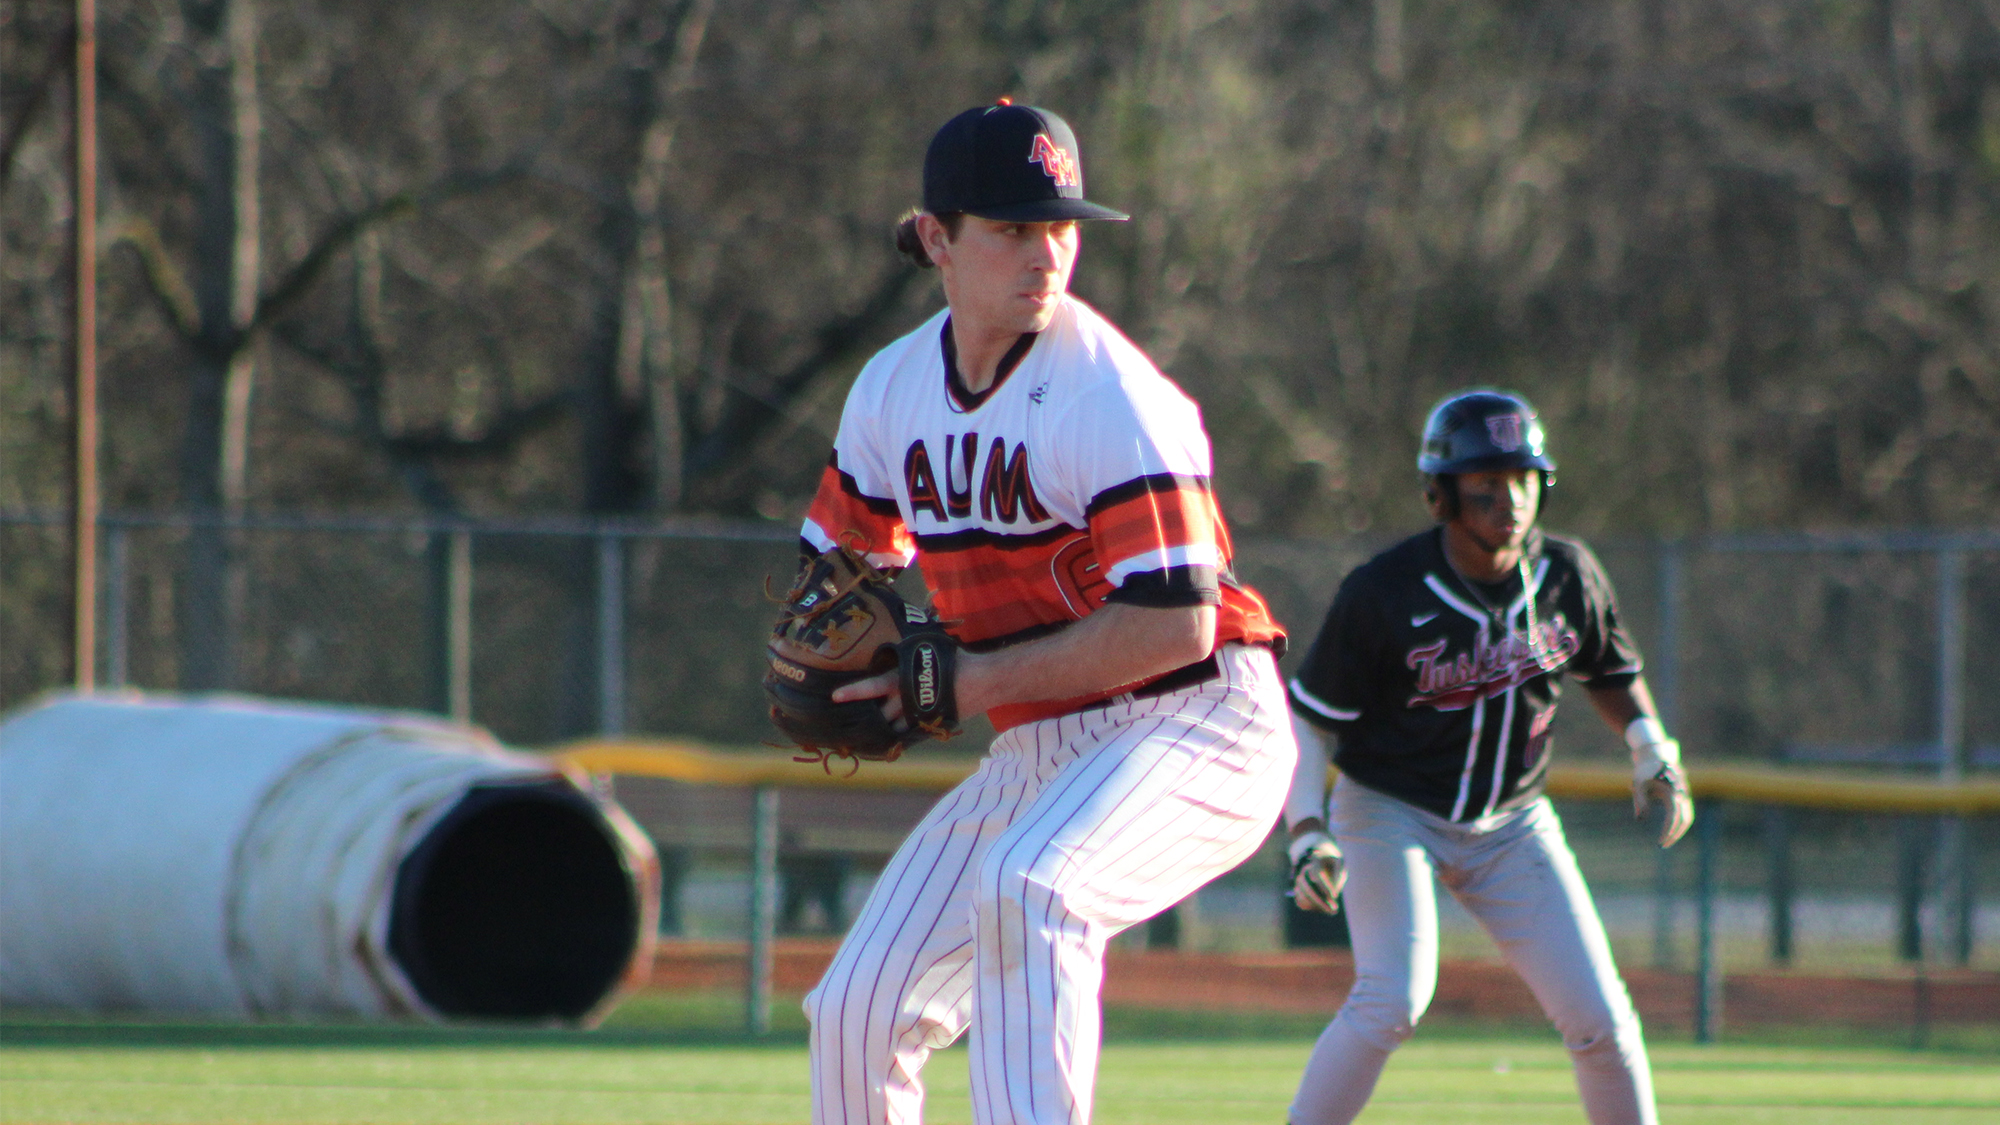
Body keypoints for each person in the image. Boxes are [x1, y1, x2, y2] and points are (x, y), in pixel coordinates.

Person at [796, 100, 1296, 1125]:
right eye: (1013, 228)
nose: (1047, 253)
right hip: (1041, 748)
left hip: (1198, 720)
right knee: (855, 1009)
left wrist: (962, 684)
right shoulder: (889, 393)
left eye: (1061, 225)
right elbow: (838, 581)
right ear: (936, 237)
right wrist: (829, 657)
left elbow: (1176, 625)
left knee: (1035, 890)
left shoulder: (1108, 391)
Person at [1280, 389, 1695, 1125]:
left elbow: (1612, 673)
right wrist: (1308, 829)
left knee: (1601, 1019)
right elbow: (1308, 723)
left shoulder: (1567, 574)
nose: (1512, 498)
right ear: (1440, 492)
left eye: (1525, 478)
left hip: (1512, 822)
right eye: (1488, 481)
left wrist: (1650, 747)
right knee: (1393, 999)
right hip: (1389, 809)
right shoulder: (1383, 591)